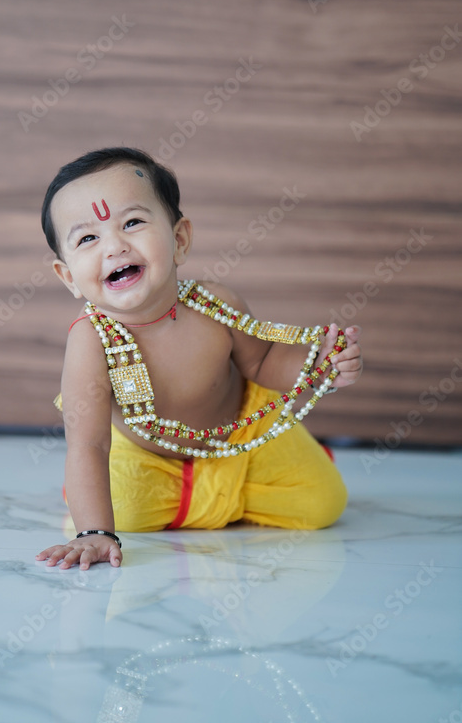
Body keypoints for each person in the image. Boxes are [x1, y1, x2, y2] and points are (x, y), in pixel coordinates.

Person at [35, 147, 363, 571]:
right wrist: (95, 532)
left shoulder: (217, 304)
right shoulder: (89, 342)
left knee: (324, 504)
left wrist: (320, 370)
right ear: (68, 277)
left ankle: (236, 486)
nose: (114, 246)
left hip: (240, 437)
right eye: (88, 239)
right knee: (125, 515)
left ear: (180, 240)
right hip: (151, 457)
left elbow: (262, 364)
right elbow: (89, 444)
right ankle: (97, 499)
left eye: (132, 222)